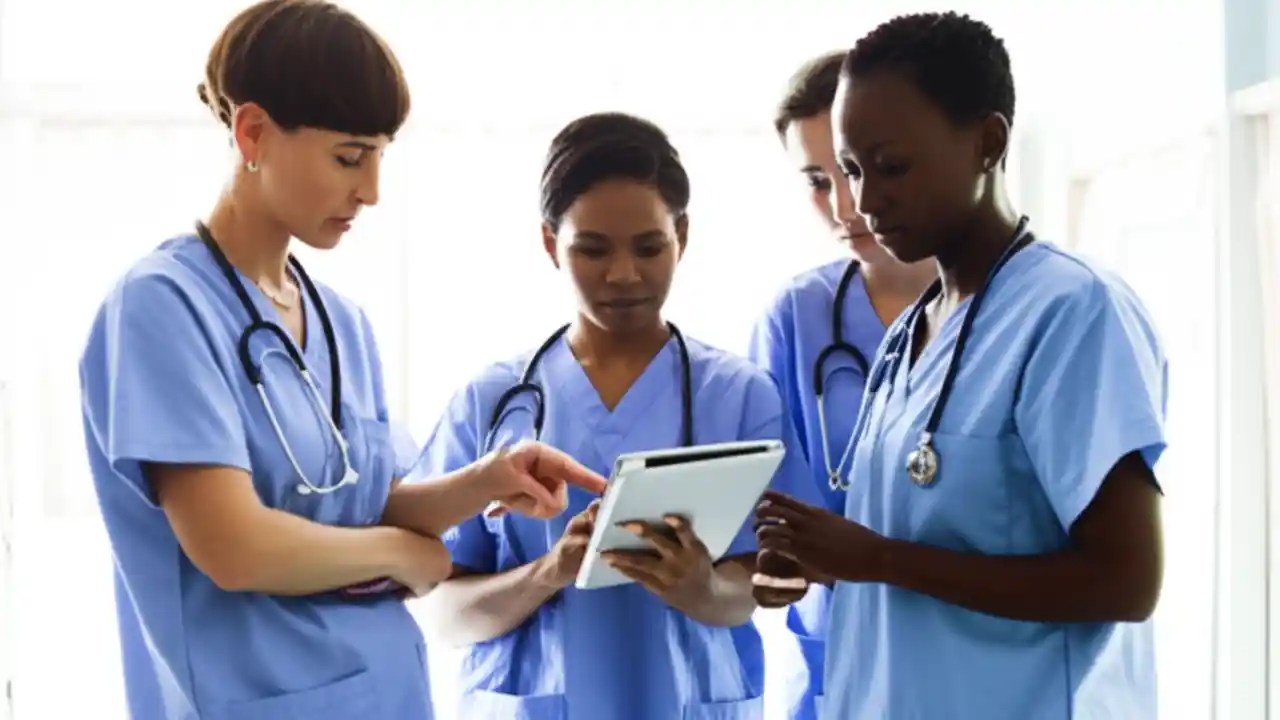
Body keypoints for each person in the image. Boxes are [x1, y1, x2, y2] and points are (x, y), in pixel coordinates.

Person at [77, 2, 606, 718]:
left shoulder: (340, 323)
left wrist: (484, 481)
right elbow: (233, 545)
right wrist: (398, 554)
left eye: (381, 156)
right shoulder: (162, 308)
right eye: (350, 157)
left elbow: (361, 501)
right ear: (253, 132)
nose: (372, 190)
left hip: (384, 693)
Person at [754, 12, 1168, 719]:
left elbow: (1126, 581)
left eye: (891, 167)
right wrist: (823, 561)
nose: (864, 201)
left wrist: (877, 559)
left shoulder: (1071, 311)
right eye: (849, 171)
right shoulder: (911, 334)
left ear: (988, 141)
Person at [412, 112, 814, 720]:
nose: (623, 274)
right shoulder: (492, 400)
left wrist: (699, 587)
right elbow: (442, 612)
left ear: (682, 235)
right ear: (550, 243)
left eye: (649, 247)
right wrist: (548, 572)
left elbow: (760, 585)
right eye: (592, 249)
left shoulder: (740, 396)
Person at [748, 50, 936, 720]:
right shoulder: (797, 317)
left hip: (971, 650)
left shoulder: (1018, 312)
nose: (845, 204)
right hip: (838, 661)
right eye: (817, 180)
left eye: (857, 169)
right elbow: (779, 508)